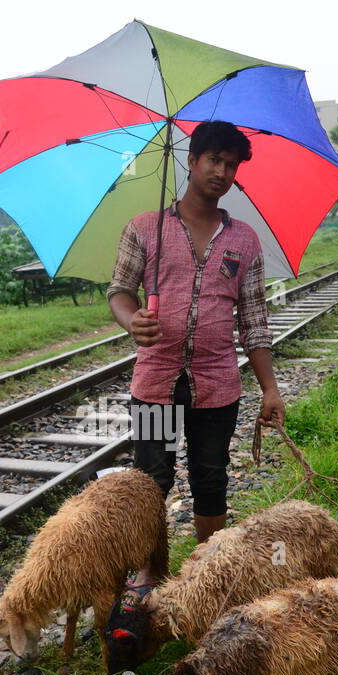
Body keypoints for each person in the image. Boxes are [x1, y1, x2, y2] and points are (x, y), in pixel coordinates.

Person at [108, 120, 284, 592]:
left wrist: (269, 388)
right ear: (191, 160)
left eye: (232, 165)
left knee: (211, 474)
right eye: (214, 160)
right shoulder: (145, 229)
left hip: (218, 383)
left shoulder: (244, 240)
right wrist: (132, 321)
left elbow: (254, 318)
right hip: (155, 382)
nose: (222, 172)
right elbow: (119, 292)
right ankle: (152, 569)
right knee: (152, 478)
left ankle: (209, 571)